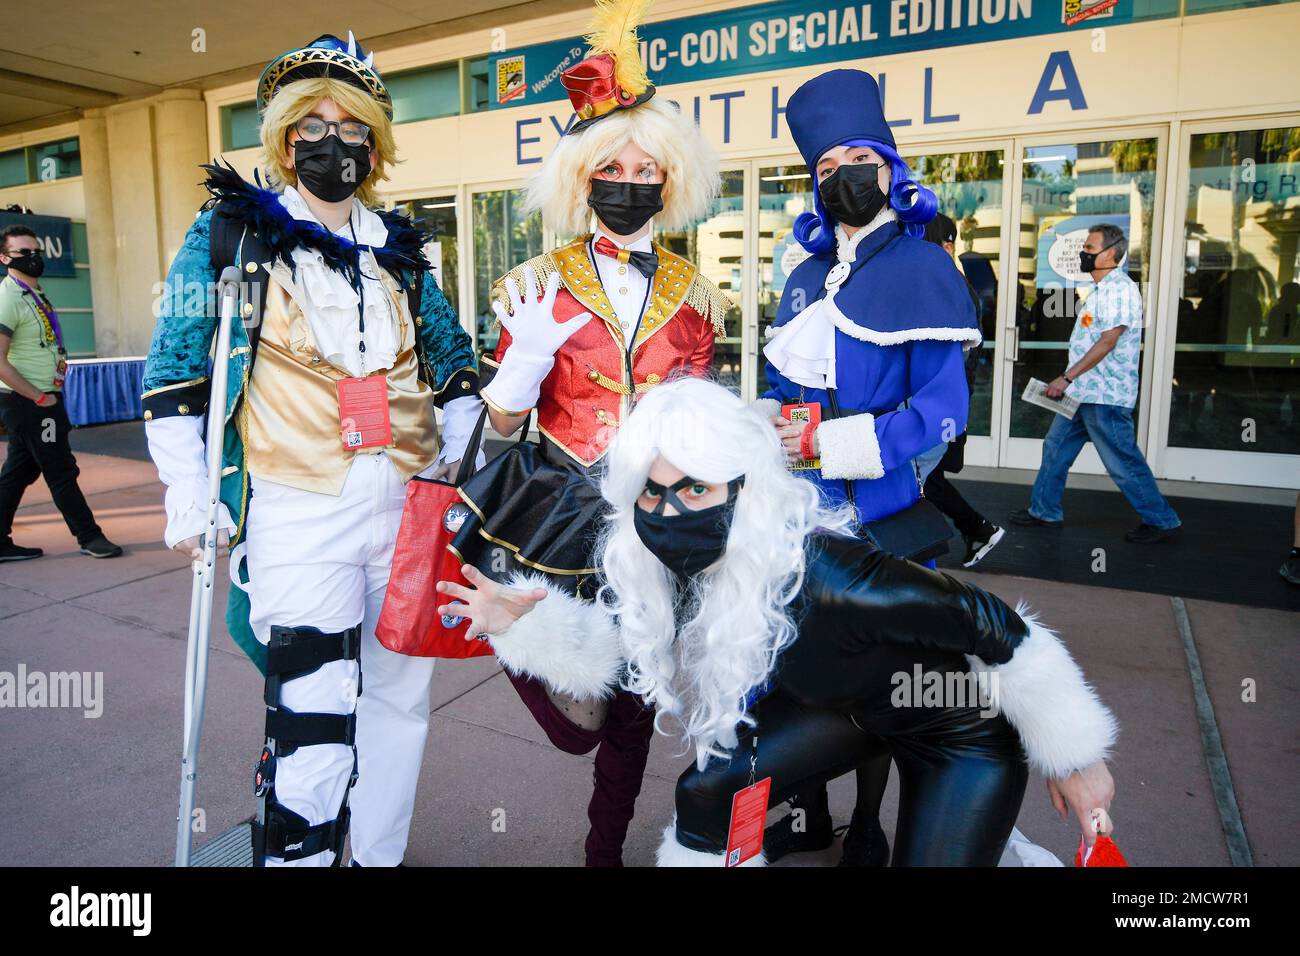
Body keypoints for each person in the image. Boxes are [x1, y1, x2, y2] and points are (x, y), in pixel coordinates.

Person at [438, 377, 1119, 866]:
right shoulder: (661, 564)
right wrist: (520, 623)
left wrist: (1076, 756)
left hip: (953, 726)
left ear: (744, 487)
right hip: (846, 711)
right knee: (708, 791)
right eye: (654, 491)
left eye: (696, 488)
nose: (670, 513)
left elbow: (992, 622)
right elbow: (615, 655)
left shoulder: (837, 576)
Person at [141, 32, 481, 866]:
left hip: (405, 509)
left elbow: (455, 368)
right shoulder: (233, 236)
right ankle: (299, 856)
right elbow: (176, 374)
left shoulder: (399, 253)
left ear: (376, 140)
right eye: (313, 126)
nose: (336, 141)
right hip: (299, 509)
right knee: (314, 706)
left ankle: (375, 856)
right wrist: (191, 495)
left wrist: (467, 465)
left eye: (353, 125)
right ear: (286, 139)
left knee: (399, 703)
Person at [451, 0, 728, 866]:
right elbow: (499, 427)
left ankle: (602, 853)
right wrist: (520, 368)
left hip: (657, 517)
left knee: (638, 710)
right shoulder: (534, 282)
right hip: (558, 507)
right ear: (583, 178)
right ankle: (520, 638)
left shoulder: (698, 291)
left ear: (670, 180)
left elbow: (701, 417)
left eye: (648, 167)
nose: (631, 179)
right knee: (581, 719)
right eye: (613, 165)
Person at [755, 69, 982, 864]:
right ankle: (808, 814)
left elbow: (944, 414)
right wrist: (775, 426)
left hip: (881, 513)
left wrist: (834, 444)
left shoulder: (925, 270)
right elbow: (783, 388)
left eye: (859, 158)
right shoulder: (802, 278)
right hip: (795, 513)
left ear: (889, 169)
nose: (844, 177)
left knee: (881, 679)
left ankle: (871, 823)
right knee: (798, 667)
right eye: (826, 167)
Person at [1010, 223, 1181, 543]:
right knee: (1055, 447)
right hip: (1082, 392)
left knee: (1122, 460)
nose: (1083, 254)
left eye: (1090, 249)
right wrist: (1071, 382)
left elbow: (1107, 342)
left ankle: (1160, 519)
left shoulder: (1119, 290)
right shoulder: (1100, 291)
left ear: (1112, 254)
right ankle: (1044, 510)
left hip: (1105, 395)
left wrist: (1065, 377)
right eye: (1084, 248)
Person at [0, 224, 121, 561]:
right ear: (4, 257)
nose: (32, 257)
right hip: (32, 401)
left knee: (19, 470)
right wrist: (38, 398)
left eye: (35, 250)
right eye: (23, 253)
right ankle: (89, 536)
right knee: (60, 468)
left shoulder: (33, 294)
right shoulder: (7, 298)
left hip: (42, 397)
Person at [920, 212, 1005, 567]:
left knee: (922, 479)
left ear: (946, 246)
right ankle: (976, 530)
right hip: (941, 400)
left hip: (939, 400)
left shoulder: (949, 288)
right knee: (926, 479)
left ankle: (971, 532)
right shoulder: (951, 284)